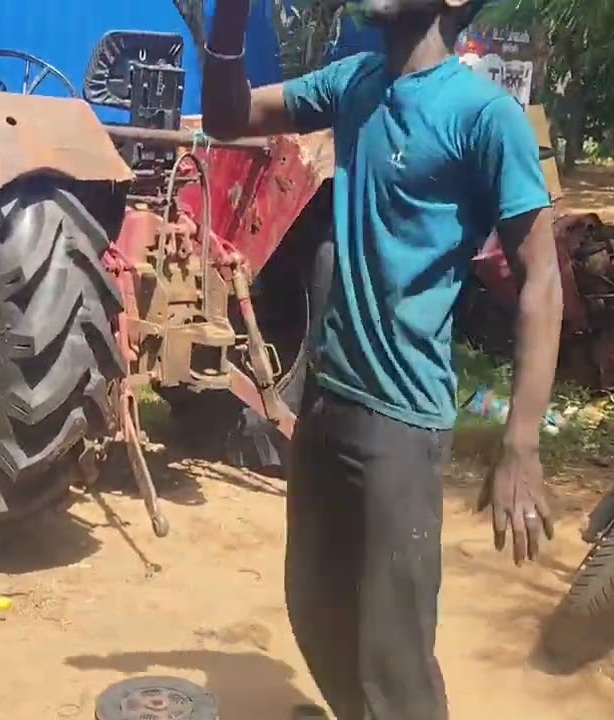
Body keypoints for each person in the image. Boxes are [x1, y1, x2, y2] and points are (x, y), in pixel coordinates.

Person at [201, 1, 564, 718]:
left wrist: (521, 445)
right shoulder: (353, 84)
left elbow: (542, 281)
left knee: (393, 661)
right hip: (329, 402)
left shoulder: (485, 117)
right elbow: (227, 116)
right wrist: (233, 17)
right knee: (314, 607)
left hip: (401, 425)